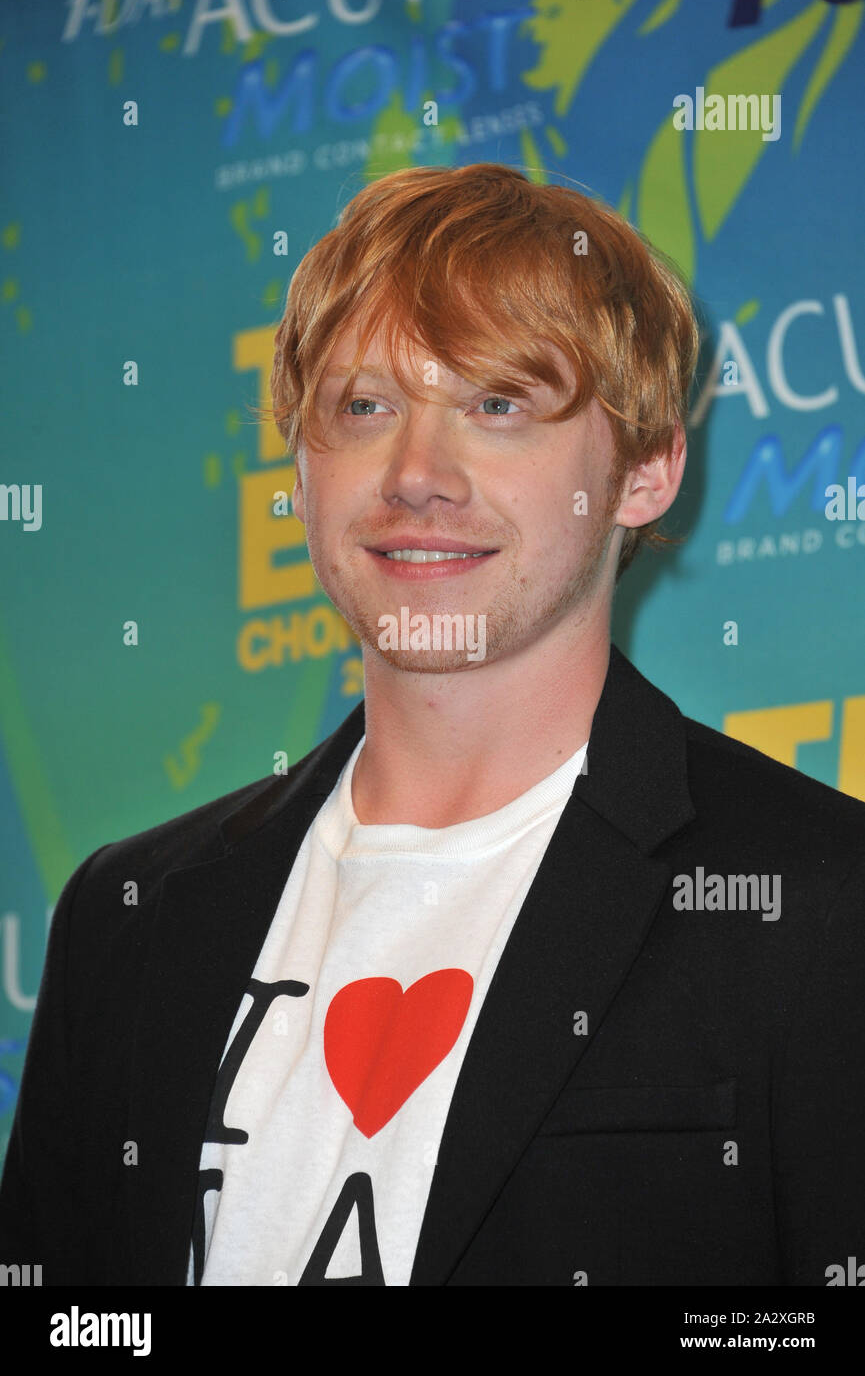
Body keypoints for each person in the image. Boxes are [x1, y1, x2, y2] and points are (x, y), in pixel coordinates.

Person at [1, 163, 863, 1287]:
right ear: (300, 471)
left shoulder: (820, 905)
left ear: (644, 470)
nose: (417, 474)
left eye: (498, 404)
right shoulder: (129, 917)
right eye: (365, 407)